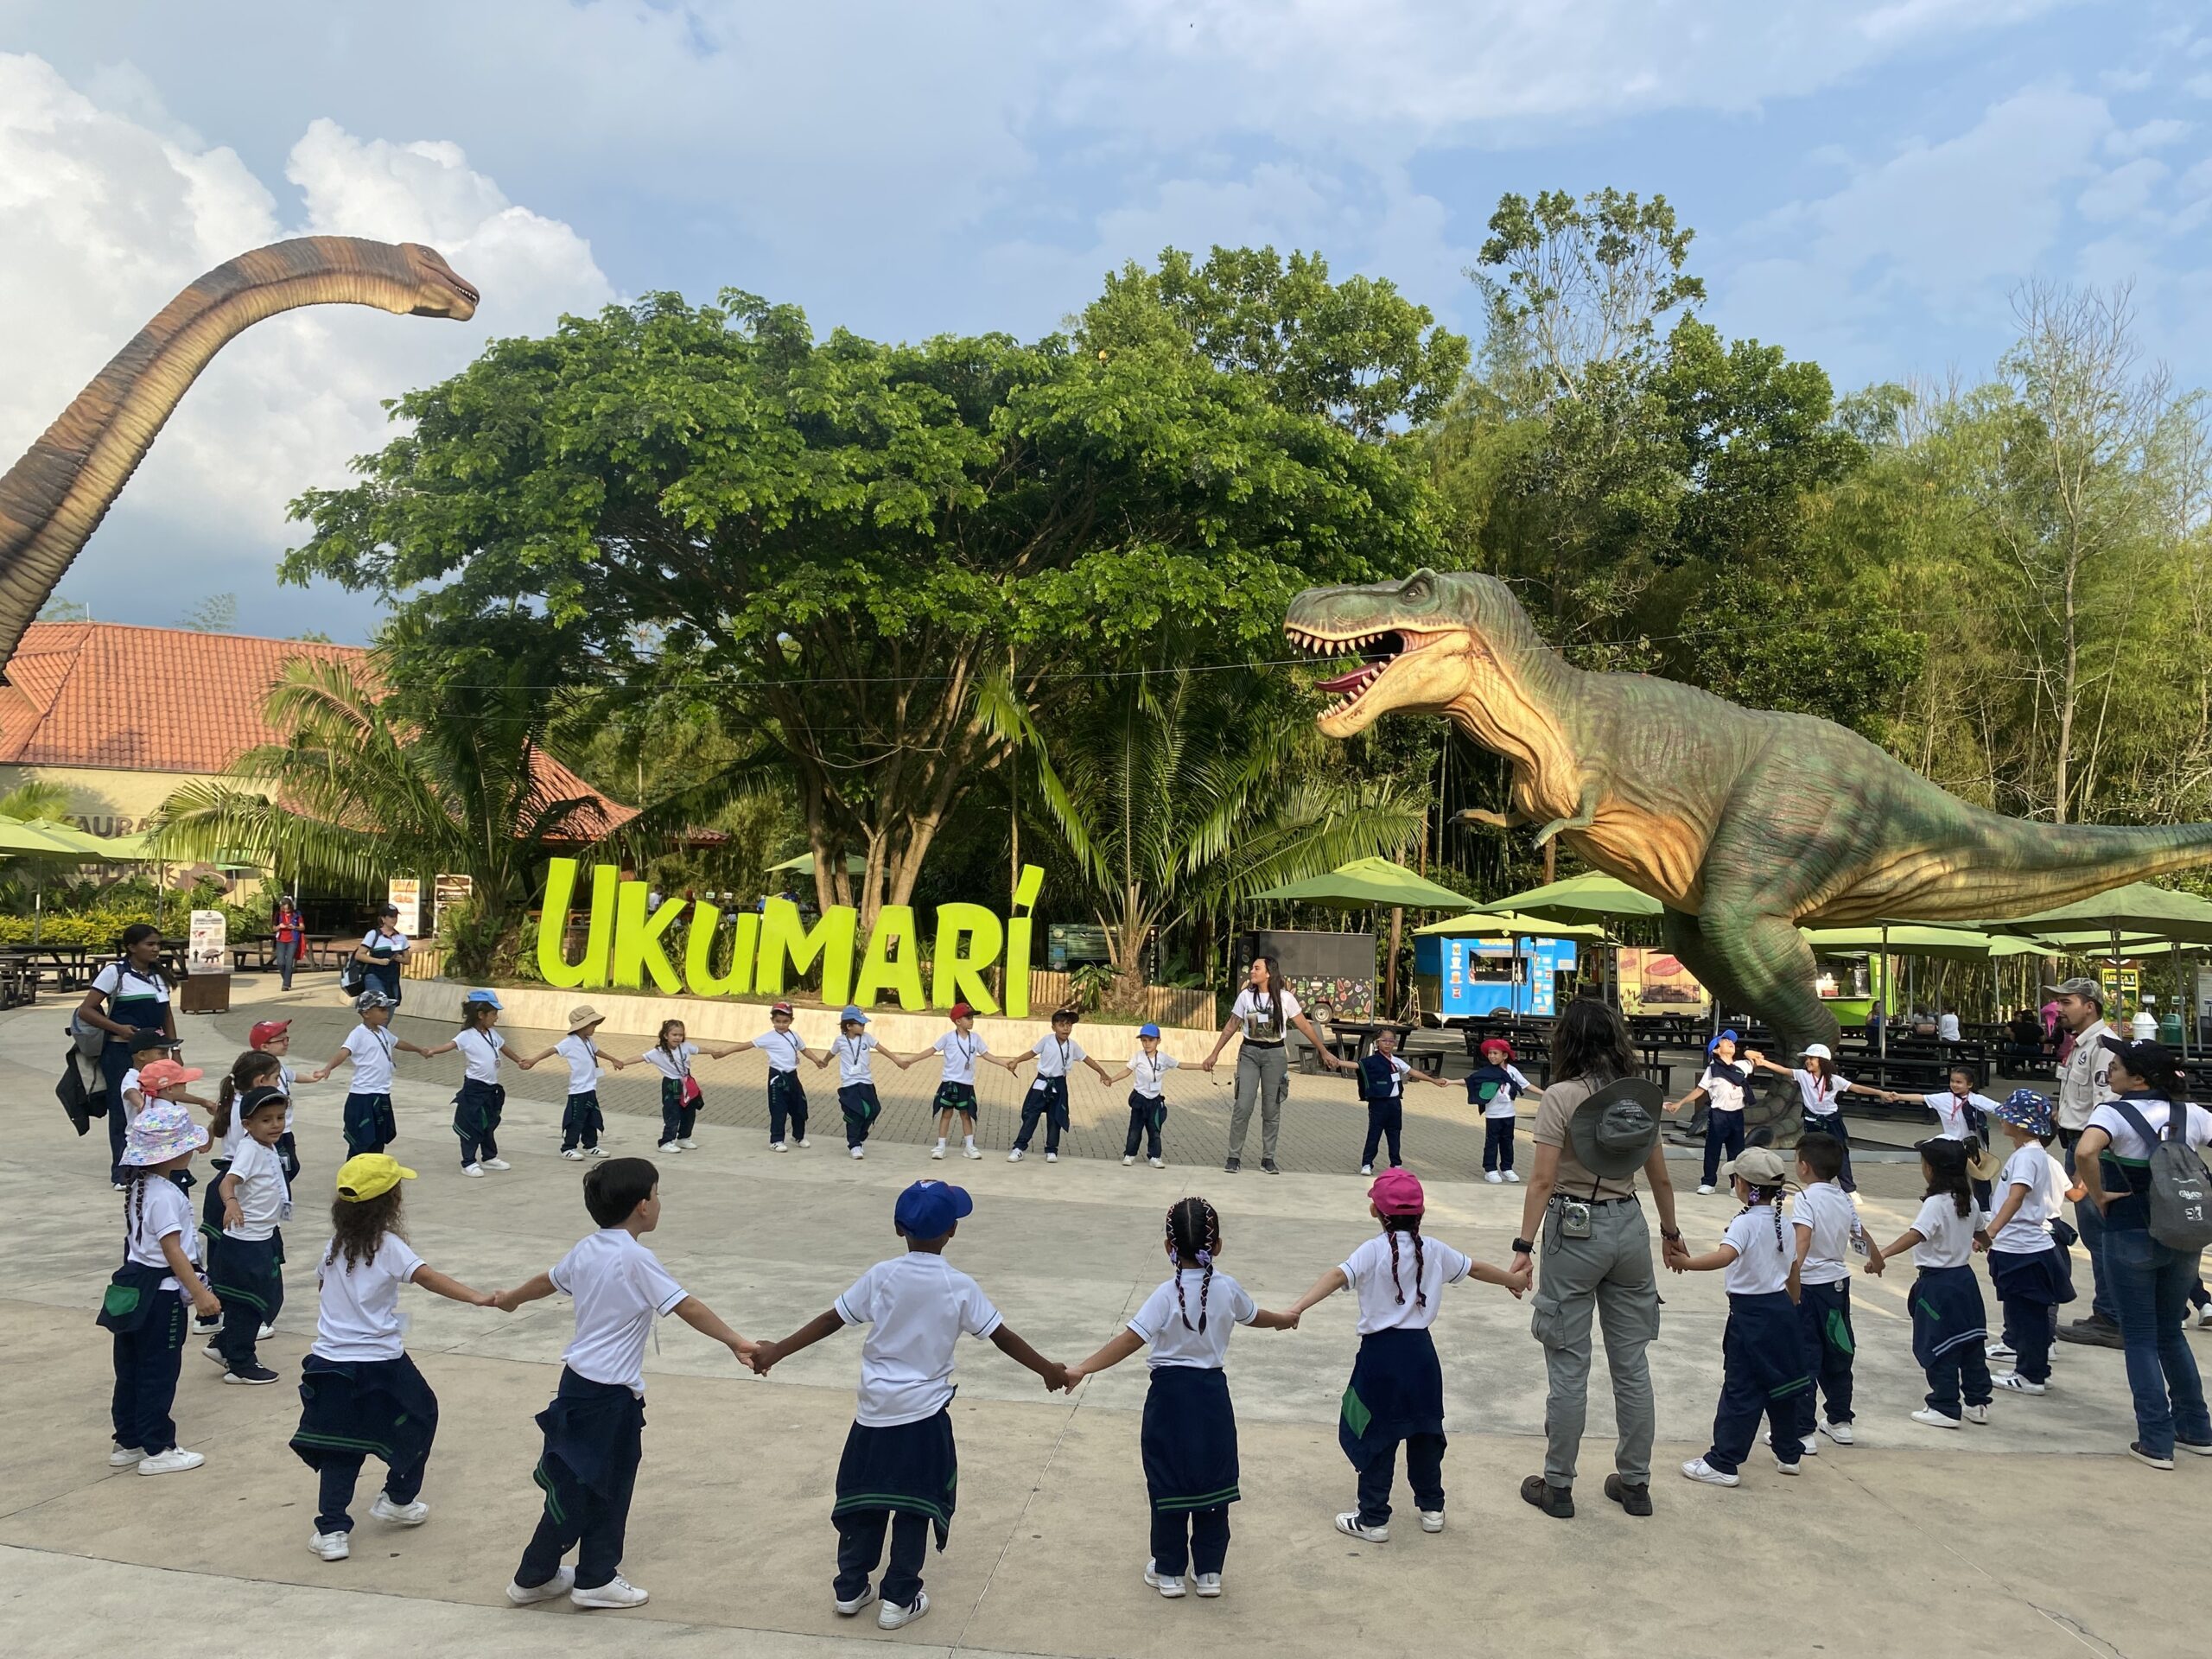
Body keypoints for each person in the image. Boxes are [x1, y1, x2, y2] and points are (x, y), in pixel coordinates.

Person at [747, 1179, 1070, 1632]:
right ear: (952, 1231)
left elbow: (829, 1320)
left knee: (866, 1501)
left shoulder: (882, 1275)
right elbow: (1002, 1335)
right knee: (915, 1504)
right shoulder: (959, 1285)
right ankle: (899, 1598)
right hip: (923, 1418)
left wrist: (775, 1351)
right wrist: (1048, 1370)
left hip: (873, 1414)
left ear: (899, 1229)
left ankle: (850, 1588)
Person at [498, 1157, 759, 1610]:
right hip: (608, 1397)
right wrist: (737, 1342)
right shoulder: (635, 1258)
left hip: (578, 1385)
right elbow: (686, 1306)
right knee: (602, 1486)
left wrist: (512, 1300)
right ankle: (560, 1576)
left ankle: (565, 1575)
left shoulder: (589, 1248)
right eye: (657, 1195)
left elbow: (550, 1280)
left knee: (584, 1484)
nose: (660, 1203)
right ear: (642, 1206)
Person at [1065, 1197, 1298, 1598]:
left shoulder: (1164, 1294)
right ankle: (1209, 1572)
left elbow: (1129, 1341)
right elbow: (1255, 1315)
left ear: (1170, 1247)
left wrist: (1082, 1368)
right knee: (1213, 1478)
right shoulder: (1228, 1288)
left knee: (1167, 1478)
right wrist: (1284, 1320)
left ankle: (1169, 1571)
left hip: (1169, 1398)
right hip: (1211, 1397)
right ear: (1217, 1245)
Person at [1511, 998, 1685, 1521]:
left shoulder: (1560, 1097)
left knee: (1568, 1363)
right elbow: (1660, 1177)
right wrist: (1671, 1235)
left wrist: (1523, 1248)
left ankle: (1559, 1485)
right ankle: (1635, 1484)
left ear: (1567, 1040)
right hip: (1628, 1223)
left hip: (1574, 1223)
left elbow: (1543, 1180)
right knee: (1632, 1365)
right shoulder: (1637, 1098)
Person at [1287, 1169, 1527, 1541]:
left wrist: (1297, 1308)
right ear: (1421, 1213)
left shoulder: (1372, 1250)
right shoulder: (1433, 1249)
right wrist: (1513, 1280)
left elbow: (1337, 1276)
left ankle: (1373, 1518)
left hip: (1380, 1357)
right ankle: (1432, 1508)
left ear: (1375, 1211)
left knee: (1375, 1431)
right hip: (1421, 1357)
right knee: (1425, 1431)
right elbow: (1475, 1268)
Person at [293, 1154, 503, 1562]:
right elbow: (427, 1277)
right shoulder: (388, 1246)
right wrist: (479, 1298)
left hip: (329, 1361)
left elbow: (323, 1286)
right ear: (390, 1202)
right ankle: (398, 1496)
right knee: (422, 1415)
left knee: (343, 1445)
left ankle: (332, 1530)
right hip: (380, 1362)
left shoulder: (335, 1245)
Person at [2073, 1037, 2212, 1468]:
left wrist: (2097, 1195)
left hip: (2129, 1230)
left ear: (2137, 1077)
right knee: (2171, 1331)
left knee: (2139, 1336)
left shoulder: (2112, 1113)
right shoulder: (2194, 1114)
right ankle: (2197, 1428)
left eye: (2116, 1066)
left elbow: (2084, 1151)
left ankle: (2156, 1440)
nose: (2109, 1071)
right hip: (2183, 1235)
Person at [1673, 1147, 1809, 1486]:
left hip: (1751, 1314)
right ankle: (1788, 1452)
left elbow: (1725, 1256)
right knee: (1783, 1383)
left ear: (1744, 1186)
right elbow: (1793, 1271)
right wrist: (1793, 1305)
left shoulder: (1745, 1222)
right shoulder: (1783, 1223)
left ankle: (1724, 1461)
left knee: (1742, 1386)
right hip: (1780, 1309)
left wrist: (1687, 1263)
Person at [102, 1100, 221, 1475]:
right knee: (159, 1369)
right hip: (161, 1294)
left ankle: (129, 1439)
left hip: (134, 1285)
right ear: (172, 1153)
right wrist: (201, 1294)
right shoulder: (168, 1195)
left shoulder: (139, 1186)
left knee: (131, 1366)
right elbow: (173, 1251)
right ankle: (159, 1447)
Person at [1863, 1138, 1993, 1432]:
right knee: (1970, 1342)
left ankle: (1944, 1406)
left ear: (1930, 1169)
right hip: (1965, 1281)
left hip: (1938, 1284)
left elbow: (1916, 1235)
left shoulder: (1936, 1203)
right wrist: (1983, 1244)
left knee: (1938, 1344)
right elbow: (1983, 1235)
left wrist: (1881, 1254)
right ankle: (1977, 1402)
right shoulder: (1968, 1199)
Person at [1200, 955, 1350, 1175]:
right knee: (1243, 1105)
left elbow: (1305, 1027)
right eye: (1252, 968)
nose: (1252, 971)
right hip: (1249, 1053)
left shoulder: (1285, 998)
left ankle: (1268, 1158)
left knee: (1272, 1109)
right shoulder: (1245, 997)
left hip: (1275, 1055)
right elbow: (1231, 1025)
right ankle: (1234, 1156)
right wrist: (1214, 1053)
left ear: (1268, 973)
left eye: (1256, 968)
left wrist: (1323, 1050)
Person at [1982, 1090, 2075, 1396]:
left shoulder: (2026, 1157)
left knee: (2026, 1314)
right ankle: (2033, 1368)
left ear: (2022, 1125)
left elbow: (2017, 1195)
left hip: (2021, 1247)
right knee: (2027, 1312)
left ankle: (2030, 1374)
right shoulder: (2036, 1155)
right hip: (2027, 1246)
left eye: (2008, 1116)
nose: (2003, 1121)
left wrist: (1991, 1231)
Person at [2048, 977, 2124, 1350]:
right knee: (2096, 1235)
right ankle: (2108, 1311)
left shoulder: (2104, 1047)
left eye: (2067, 1002)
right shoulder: (2080, 1045)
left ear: (2090, 1005)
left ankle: (2111, 1317)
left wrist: (2083, 1164)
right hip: (2077, 1144)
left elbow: (2105, 1109)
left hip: (2090, 1149)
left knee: (2101, 1236)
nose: (2059, 1008)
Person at [205, 1084, 292, 1386]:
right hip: (247, 1242)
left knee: (270, 1297)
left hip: (265, 1234)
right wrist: (231, 1203)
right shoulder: (249, 1150)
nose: (276, 1125)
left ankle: (224, 1344)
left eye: (280, 1117)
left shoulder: (268, 1147)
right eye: (267, 1120)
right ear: (247, 1124)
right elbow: (227, 1182)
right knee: (251, 1301)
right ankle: (240, 1363)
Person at [78, 923, 177, 1186]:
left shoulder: (158, 975)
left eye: (158, 944)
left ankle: (159, 1165)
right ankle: (122, 1172)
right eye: (149, 944)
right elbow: (86, 1010)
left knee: (159, 1107)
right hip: (120, 1051)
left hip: (155, 1055)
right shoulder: (115, 973)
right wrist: (119, 1028)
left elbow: (166, 1014)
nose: (156, 949)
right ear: (132, 947)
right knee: (123, 1110)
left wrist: (173, 1050)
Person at [1787, 1131, 1861, 1449]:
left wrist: (1791, 1276)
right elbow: (1859, 1232)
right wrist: (1875, 1259)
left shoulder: (1805, 1199)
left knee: (1805, 1356)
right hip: (1838, 1286)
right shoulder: (1842, 1196)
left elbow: (1802, 1238)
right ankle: (1840, 1420)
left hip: (1810, 1288)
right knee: (1839, 1350)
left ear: (1803, 1167)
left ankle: (1802, 1431)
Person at [1743, 1042, 1886, 1194]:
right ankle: (1818, 1186)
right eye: (1807, 1058)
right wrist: (1763, 1062)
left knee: (1840, 1152)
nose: (1808, 1061)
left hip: (1831, 1120)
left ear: (1822, 1061)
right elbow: (1783, 1070)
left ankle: (1849, 1190)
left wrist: (1880, 1093)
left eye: (1812, 1058)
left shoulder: (1834, 1079)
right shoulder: (1803, 1075)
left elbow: (1856, 1088)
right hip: (1812, 1121)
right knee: (1812, 1152)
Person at [308, 991, 435, 1156]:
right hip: (363, 1096)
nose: (387, 1013)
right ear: (366, 1013)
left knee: (379, 1139)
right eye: (381, 1010)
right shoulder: (358, 1034)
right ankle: (354, 1176)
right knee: (361, 1141)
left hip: (382, 1093)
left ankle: (373, 1173)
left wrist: (419, 1050)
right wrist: (328, 1068)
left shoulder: (382, 1032)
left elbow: (398, 1043)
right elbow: (344, 1052)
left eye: (387, 1009)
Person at [419, 989, 529, 1178]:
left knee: (489, 1123)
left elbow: (504, 1048)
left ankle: (489, 1157)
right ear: (481, 1015)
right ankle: (468, 1161)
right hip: (474, 1088)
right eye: (494, 1014)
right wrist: (432, 1051)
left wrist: (519, 1060)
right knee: (471, 1124)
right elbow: (450, 1045)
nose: (496, 1018)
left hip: (491, 1088)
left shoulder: (492, 1034)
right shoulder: (467, 1035)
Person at [1002, 1007, 1114, 1164]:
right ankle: (1019, 1148)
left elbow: (1087, 1059)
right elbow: (1032, 1053)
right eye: (1061, 1024)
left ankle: (1051, 1150)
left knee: (1056, 1117)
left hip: (1059, 1083)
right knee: (1031, 1115)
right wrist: (1016, 1060)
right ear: (1053, 1027)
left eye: (1069, 1025)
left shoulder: (1072, 1045)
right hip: (1042, 1082)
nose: (1066, 1028)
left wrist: (1102, 1072)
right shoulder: (1046, 1040)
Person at [203, 1049, 285, 1249]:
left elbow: (218, 1122)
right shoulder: (252, 1117)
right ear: (260, 1081)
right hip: (240, 1187)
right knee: (234, 1252)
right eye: (276, 1078)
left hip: (238, 1179)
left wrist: (210, 1137)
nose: (278, 1084)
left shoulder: (236, 1102)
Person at [815, 1005, 920, 1160]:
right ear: (849, 1026)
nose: (863, 1026)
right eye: (860, 1024)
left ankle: (861, 1135)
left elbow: (882, 1049)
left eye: (864, 1024)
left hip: (866, 1081)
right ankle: (854, 1144)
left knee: (873, 1110)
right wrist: (824, 1061)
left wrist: (897, 1061)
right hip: (849, 1083)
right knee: (856, 1113)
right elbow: (831, 1053)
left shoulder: (867, 1038)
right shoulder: (840, 1041)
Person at [1885, 1065, 1999, 1206]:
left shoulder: (1977, 1099)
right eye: (1952, 1081)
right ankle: (1953, 1202)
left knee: (1980, 1178)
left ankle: (1984, 1208)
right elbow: (1922, 1097)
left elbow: (1998, 1108)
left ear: (1969, 1084)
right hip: (1953, 1147)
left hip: (1974, 1148)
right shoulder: (1944, 1098)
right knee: (1954, 1177)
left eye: (1959, 1082)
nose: (1954, 1085)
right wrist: (1899, 1096)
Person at [523, 1005, 623, 1160]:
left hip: (590, 1088)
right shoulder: (570, 1042)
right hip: (578, 1090)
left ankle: (591, 1145)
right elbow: (552, 1050)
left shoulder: (589, 1041)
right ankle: (568, 1147)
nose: (594, 1027)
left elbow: (597, 1051)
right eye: (592, 1024)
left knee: (592, 1117)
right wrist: (533, 1061)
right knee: (576, 1119)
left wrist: (613, 1059)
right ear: (582, 1025)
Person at [632, 1019, 746, 1154]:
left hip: (687, 1082)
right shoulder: (659, 1051)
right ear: (665, 1035)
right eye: (674, 1035)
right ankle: (666, 1141)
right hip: (672, 1084)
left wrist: (714, 1052)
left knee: (689, 1112)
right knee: (672, 1113)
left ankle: (684, 1137)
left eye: (680, 1035)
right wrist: (620, 1062)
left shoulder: (685, 1046)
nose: (677, 1038)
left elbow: (698, 1050)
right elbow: (640, 1057)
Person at [726, 1003, 822, 1153]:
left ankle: (798, 1136)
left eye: (785, 1021)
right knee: (779, 1110)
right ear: (772, 1021)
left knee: (800, 1109)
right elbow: (748, 1045)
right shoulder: (769, 1037)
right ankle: (776, 1140)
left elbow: (804, 1049)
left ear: (791, 1020)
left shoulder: (794, 1035)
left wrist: (816, 1060)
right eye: (778, 1021)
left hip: (793, 1076)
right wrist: (725, 1052)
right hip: (777, 1077)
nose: (781, 1025)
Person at [1353, 1028, 1449, 1176]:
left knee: (1394, 1134)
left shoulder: (1397, 1062)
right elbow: (1356, 1066)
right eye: (1384, 1040)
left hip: (1394, 1103)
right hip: (1378, 1103)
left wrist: (1433, 1080)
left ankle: (1396, 1164)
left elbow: (1413, 1072)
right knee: (1374, 1133)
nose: (1388, 1044)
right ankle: (1367, 1163)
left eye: (1391, 1041)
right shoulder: (1371, 1061)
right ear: (1377, 1043)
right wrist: (1336, 1061)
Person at [1669, 1028, 1752, 1197]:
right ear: (1716, 1050)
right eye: (1725, 1041)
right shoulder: (1712, 1070)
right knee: (1712, 1150)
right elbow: (1700, 1090)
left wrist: (1750, 1053)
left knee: (1736, 1152)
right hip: (1718, 1115)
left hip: (1737, 1115)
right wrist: (1680, 1103)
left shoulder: (1741, 1066)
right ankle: (1708, 1182)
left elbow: (1755, 1059)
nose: (1731, 1043)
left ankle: (1736, 1185)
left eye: (1732, 1042)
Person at [1104, 1022, 1180, 1168]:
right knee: (1135, 1129)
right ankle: (1130, 1155)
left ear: (1158, 1041)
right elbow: (1127, 1071)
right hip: (1139, 1098)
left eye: (1151, 1040)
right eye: (1144, 1040)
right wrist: (1111, 1080)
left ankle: (1155, 1157)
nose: (1147, 1044)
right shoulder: (1138, 1056)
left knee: (1155, 1130)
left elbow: (1180, 1065)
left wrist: (1202, 1066)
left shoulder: (1163, 1058)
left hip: (1155, 1101)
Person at [927, 1003, 989, 1161]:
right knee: (946, 1113)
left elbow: (987, 1055)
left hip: (966, 1083)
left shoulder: (975, 1038)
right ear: (957, 1021)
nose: (971, 1021)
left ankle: (969, 1146)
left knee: (966, 1114)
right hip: (950, 1082)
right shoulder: (948, 1038)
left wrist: (1006, 1064)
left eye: (972, 1017)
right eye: (968, 1018)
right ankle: (941, 1146)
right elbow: (932, 1050)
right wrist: (910, 1061)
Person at [1468, 1037, 1530, 1185]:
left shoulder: (1512, 1071)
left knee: (1507, 1141)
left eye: (1495, 1053)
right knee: (1492, 1141)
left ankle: (1507, 1168)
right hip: (1493, 1115)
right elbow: (1469, 1080)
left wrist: (1545, 1094)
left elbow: (1526, 1085)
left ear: (1505, 1055)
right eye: (1490, 1053)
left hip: (1509, 1113)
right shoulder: (1486, 1072)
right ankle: (1490, 1169)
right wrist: (1450, 1082)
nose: (1491, 1056)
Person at [250, 1019, 302, 1183]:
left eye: (287, 1039)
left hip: (285, 1129)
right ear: (265, 1046)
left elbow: (294, 1076)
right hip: (274, 1130)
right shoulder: (259, 1071)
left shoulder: (279, 1066)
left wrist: (315, 1077)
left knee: (292, 1166)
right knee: (282, 1168)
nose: (286, 1043)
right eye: (281, 1040)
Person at [351, 903, 410, 1008]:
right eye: (391, 916)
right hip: (374, 975)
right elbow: (359, 955)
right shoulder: (373, 934)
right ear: (383, 919)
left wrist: (400, 959)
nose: (394, 919)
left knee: (390, 1009)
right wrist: (379, 961)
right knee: (379, 1006)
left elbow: (407, 960)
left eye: (395, 916)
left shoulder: (402, 937)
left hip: (393, 978)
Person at [274, 895, 305, 992]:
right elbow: (273, 928)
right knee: (280, 962)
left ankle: (286, 985)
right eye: (284, 909)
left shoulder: (297, 914)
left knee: (289, 962)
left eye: (288, 909)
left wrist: (294, 927)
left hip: (293, 939)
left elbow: (302, 927)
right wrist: (280, 926)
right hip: (281, 939)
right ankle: (286, 979)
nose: (286, 911)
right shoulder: (278, 915)